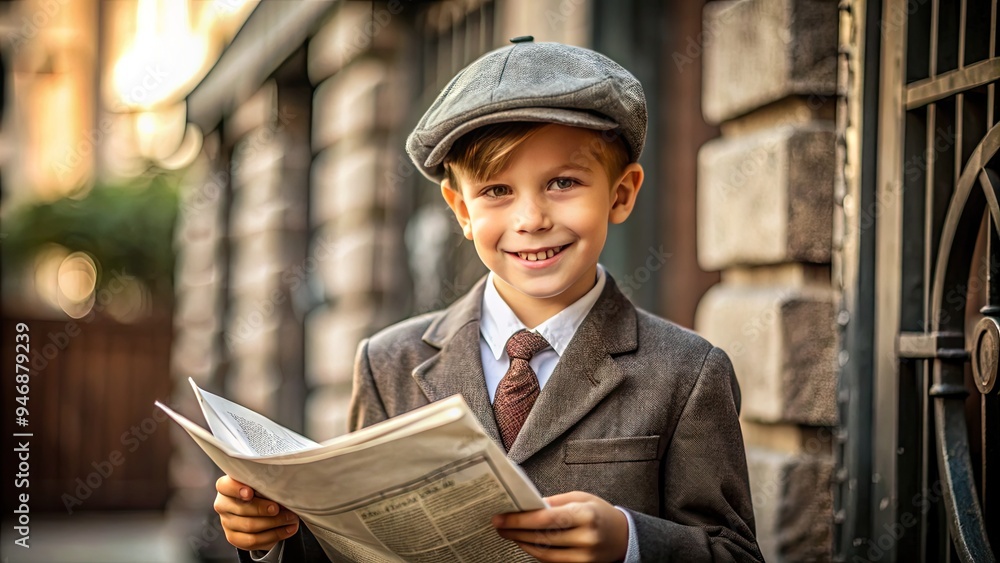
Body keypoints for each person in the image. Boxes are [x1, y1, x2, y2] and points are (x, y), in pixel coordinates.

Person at [214, 37, 763, 562]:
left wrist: (629, 541)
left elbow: (734, 552)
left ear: (620, 194)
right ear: (460, 210)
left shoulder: (688, 372)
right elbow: (354, 545)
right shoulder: (388, 363)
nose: (531, 220)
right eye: (496, 190)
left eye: (564, 182)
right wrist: (272, 536)